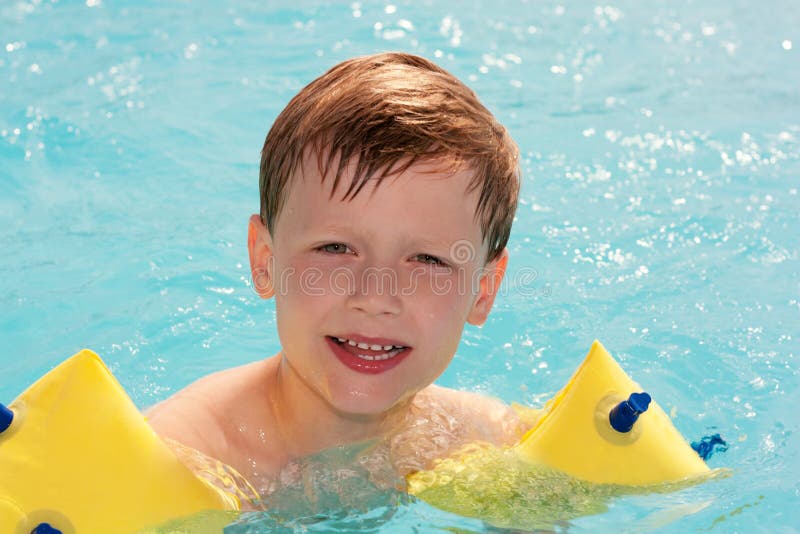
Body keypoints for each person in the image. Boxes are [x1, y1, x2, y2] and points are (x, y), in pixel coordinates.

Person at [146, 52, 530, 498]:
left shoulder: (480, 439)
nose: (375, 296)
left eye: (427, 260)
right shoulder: (183, 457)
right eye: (335, 248)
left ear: (483, 291)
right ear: (265, 260)